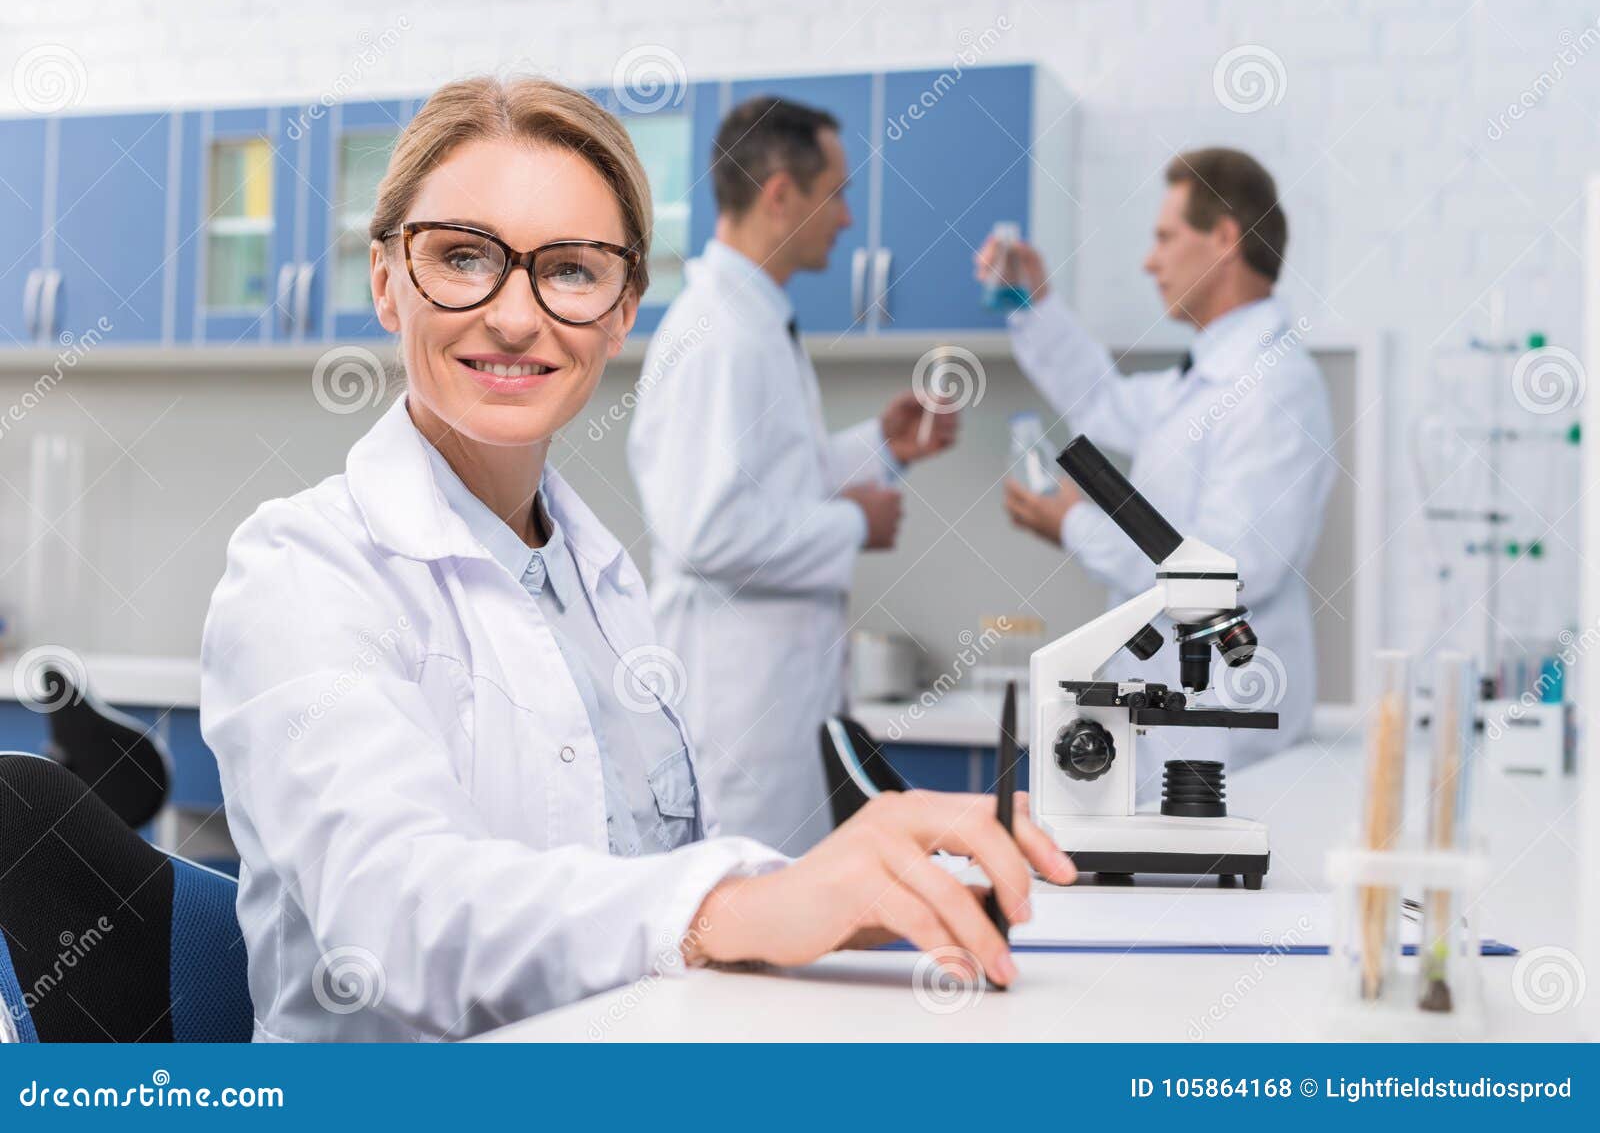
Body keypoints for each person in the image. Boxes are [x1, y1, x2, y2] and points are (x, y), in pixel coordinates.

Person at [200, 76, 1070, 1043]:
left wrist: (851, 897)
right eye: (461, 258)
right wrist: (738, 908)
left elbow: (630, 904)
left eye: (570, 270)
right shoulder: (300, 571)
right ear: (385, 282)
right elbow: (396, 913)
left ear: (622, 312)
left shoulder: (595, 582)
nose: (516, 317)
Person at [627, 97, 957, 853]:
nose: (846, 219)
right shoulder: (719, 338)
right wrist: (854, 523)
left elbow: (773, 483)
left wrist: (885, 446)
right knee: (745, 944)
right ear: (780, 195)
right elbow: (707, 532)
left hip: (775, 707)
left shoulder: (757, 324)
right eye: (836, 194)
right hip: (733, 717)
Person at [982, 148, 1333, 775]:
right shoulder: (1204, 379)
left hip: (1229, 744)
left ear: (1224, 238)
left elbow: (1225, 575)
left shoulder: (1276, 386)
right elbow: (1106, 404)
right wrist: (1032, 303)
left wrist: (1074, 525)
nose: (1150, 261)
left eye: (1166, 237)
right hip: (1173, 729)